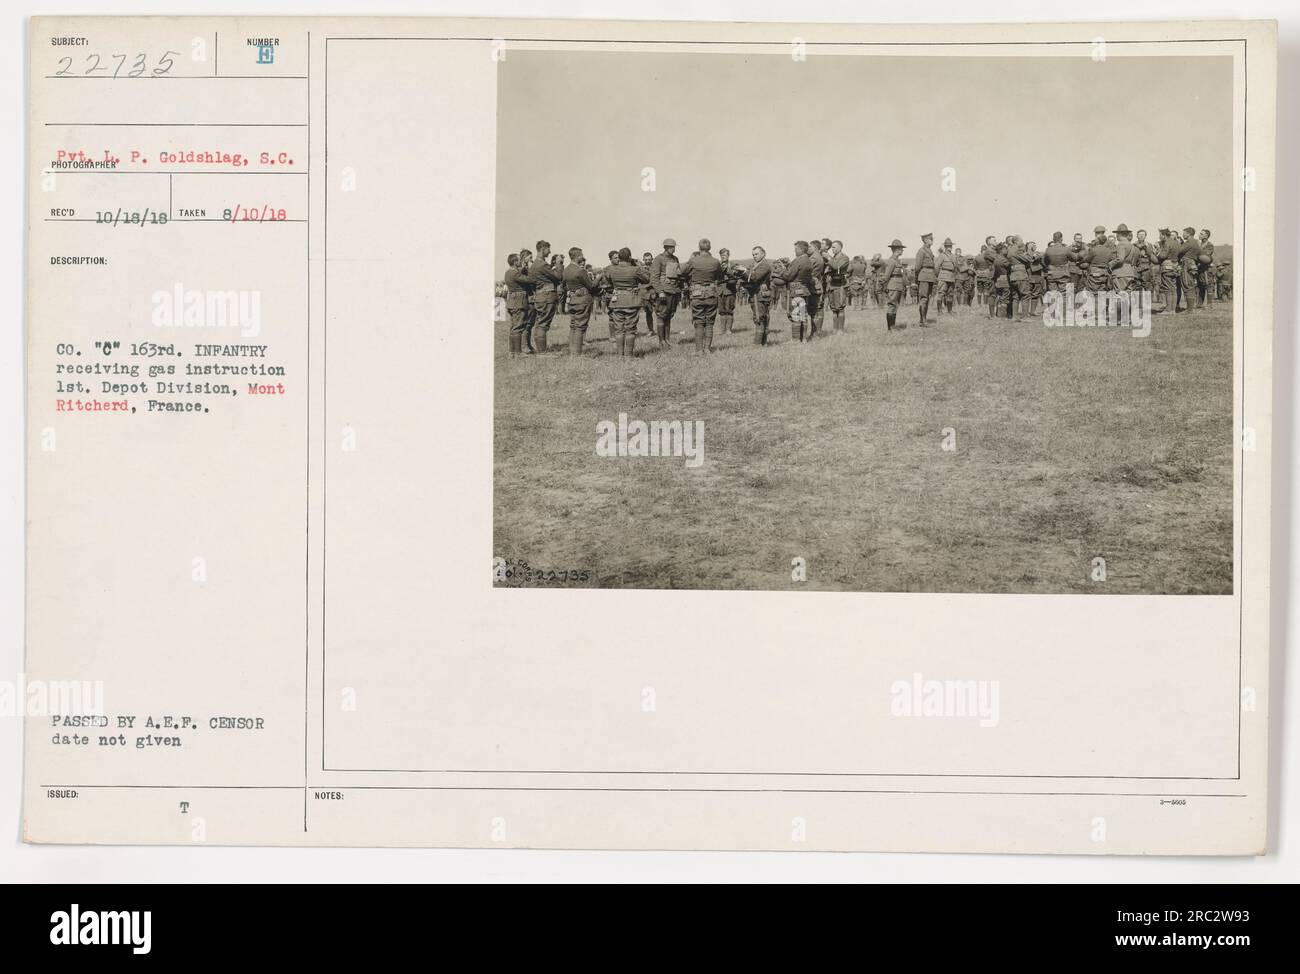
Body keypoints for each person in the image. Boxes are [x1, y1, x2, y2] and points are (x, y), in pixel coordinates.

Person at [677, 238, 725, 353]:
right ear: (710, 248)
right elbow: (720, 277)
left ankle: (698, 350)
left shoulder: (693, 261)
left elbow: (681, 272)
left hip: (697, 295)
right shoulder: (715, 261)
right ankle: (707, 349)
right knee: (709, 323)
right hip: (711, 294)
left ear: (699, 248)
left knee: (698, 322)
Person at [604, 247, 651, 356]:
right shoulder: (635, 269)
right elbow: (647, 279)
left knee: (619, 329)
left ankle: (620, 355)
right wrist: (639, 265)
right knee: (630, 329)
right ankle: (629, 355)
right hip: (631, 301)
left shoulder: (611, 269)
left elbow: (609, 282)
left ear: (619, 257)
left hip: (617, 301)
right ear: (629, 257)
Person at [561, 247, 599, 355]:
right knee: (580, 326)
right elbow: (591, 286)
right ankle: (576, 353)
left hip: (572, 300)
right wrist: (599, 278)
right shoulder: (580, 271)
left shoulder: (566, 270)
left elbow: (563, 285)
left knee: (573, 325)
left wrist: (572, 291)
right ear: (578, 256)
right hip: (582, 300)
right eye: (581, 255)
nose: (582, 257)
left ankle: (572, 350)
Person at [777, 241, 817, 343]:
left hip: (795, 291)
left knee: (795, 315)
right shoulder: (808, 260)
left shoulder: (797, 261)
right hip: (804, 290)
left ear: (801, 249)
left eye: (795, 249)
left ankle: (795, 339)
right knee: (803, 315)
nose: (794, 251)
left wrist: (781, 269)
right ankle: (803, 338)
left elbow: (788, 276)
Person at [527, 240, 562, 352]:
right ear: (543, 249)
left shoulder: (533, 266)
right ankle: (542, 353)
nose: (550, 251)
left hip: (540, 296)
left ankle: (540, 351)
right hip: (547, 297)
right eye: (548, 249)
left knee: (539, 323)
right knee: (543, 325)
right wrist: (558, 264)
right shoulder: (542, 264)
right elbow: (558, 277)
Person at [650, 238, 683, 347]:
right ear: (665, 247)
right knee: (661, 315)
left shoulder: (675, 259)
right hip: (663, 292)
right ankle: (661, 341)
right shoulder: (658, 259)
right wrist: (660, 292)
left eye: (673, 247)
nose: (673, 249)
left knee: (669, 315)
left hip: (673, 291)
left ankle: (667, 340)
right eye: (670, 247)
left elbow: (678, 275)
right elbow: (654, 278)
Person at [503, 250, 535, 357]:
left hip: (512, 302)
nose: (520, 262)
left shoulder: (508, 272)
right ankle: (518, 353)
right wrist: (530, 268)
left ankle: (512, 352)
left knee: (513, 327)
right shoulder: (514, 273)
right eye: (519, 260)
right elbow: (530, 280)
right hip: (519, 302)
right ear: (515, 262)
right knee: (518, 327)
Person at [744, 245, 774, 345]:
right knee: (761, 318)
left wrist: (743, 271)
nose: (754, 256)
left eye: (756, 254)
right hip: (756, 295)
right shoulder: (755, 265)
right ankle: (763, 343)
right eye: (753, 254)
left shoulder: (764, 265)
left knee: (759, 318)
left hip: (760, 295)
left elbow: (754, 277)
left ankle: (758, 344)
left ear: (763, 254)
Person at [880, 239, 908, 331]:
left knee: (895, 306)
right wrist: (883, 286)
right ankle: (890, 328)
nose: (902, 250)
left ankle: (893, 326)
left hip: (898, 286)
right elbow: (886, 276)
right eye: (901, 249)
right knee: (892, 306)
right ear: (897, 249)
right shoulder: (892, 261)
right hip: (892, 286)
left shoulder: (897, 261)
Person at [825, 240, 851, 332]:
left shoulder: (844, 258)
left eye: (834, 247)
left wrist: (828, 258)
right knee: (833, 308)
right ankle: (835, 329)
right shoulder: (833, 258)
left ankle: (840, 330)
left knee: (840, 307)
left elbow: (837, 266)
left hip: (840, 285)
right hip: (832, 285)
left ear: (840, 247)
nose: (832, 249)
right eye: (832, 247)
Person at [914, 232, 937, 325]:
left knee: (927, 298)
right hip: (923, 276)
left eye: (932, 239)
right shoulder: (921, 251)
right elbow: (917, 267)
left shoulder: (929, 251)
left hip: (930, 277)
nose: (932, 240)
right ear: (925, 240)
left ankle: (924, 319)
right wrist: (917, 278)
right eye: (930, 239)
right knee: (923, 298)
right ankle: (922, 320)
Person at [935, 238, 958, 316]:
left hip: (951, 277)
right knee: (941, 293)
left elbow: (956, 267)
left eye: (950, 245)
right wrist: (938, 276)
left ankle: (950, 310)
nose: (949, 247)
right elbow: (937, 267)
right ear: (945, 246)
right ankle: (939, 311)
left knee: (950, 294)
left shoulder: (954, 256)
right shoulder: (941, 256)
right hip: (943, 276)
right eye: (948, 245)